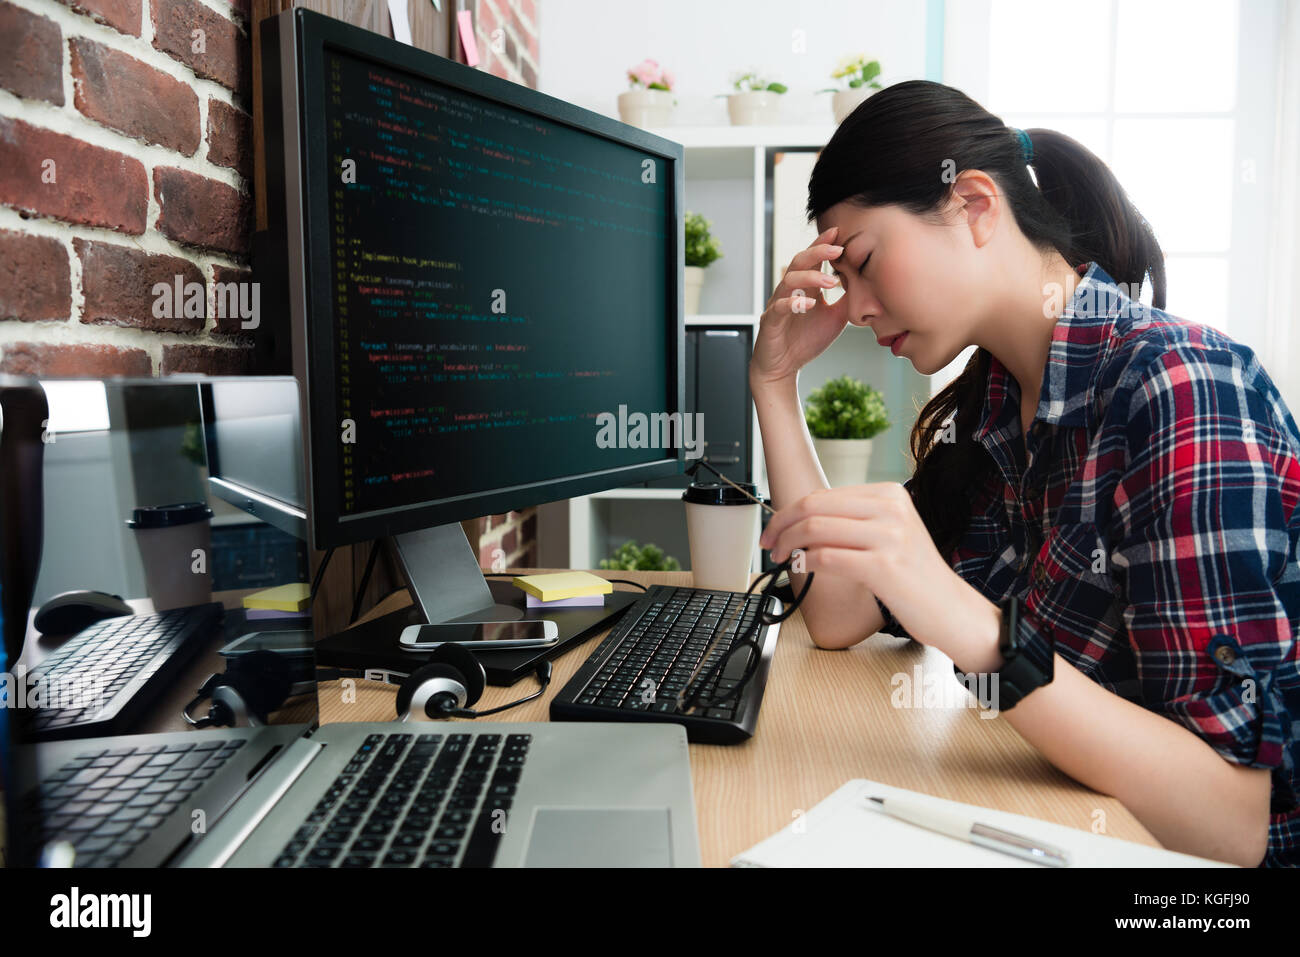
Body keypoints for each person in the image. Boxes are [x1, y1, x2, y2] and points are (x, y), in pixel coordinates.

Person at [752, 79, 1299, 868]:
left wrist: (979, 632)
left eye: (865, 262)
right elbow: (836, 615)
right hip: (1063, 825)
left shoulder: (1181, 387)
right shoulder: (997, 405)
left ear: (975, 205)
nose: (859, 308)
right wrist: (773, 384)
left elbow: (1231, 825)